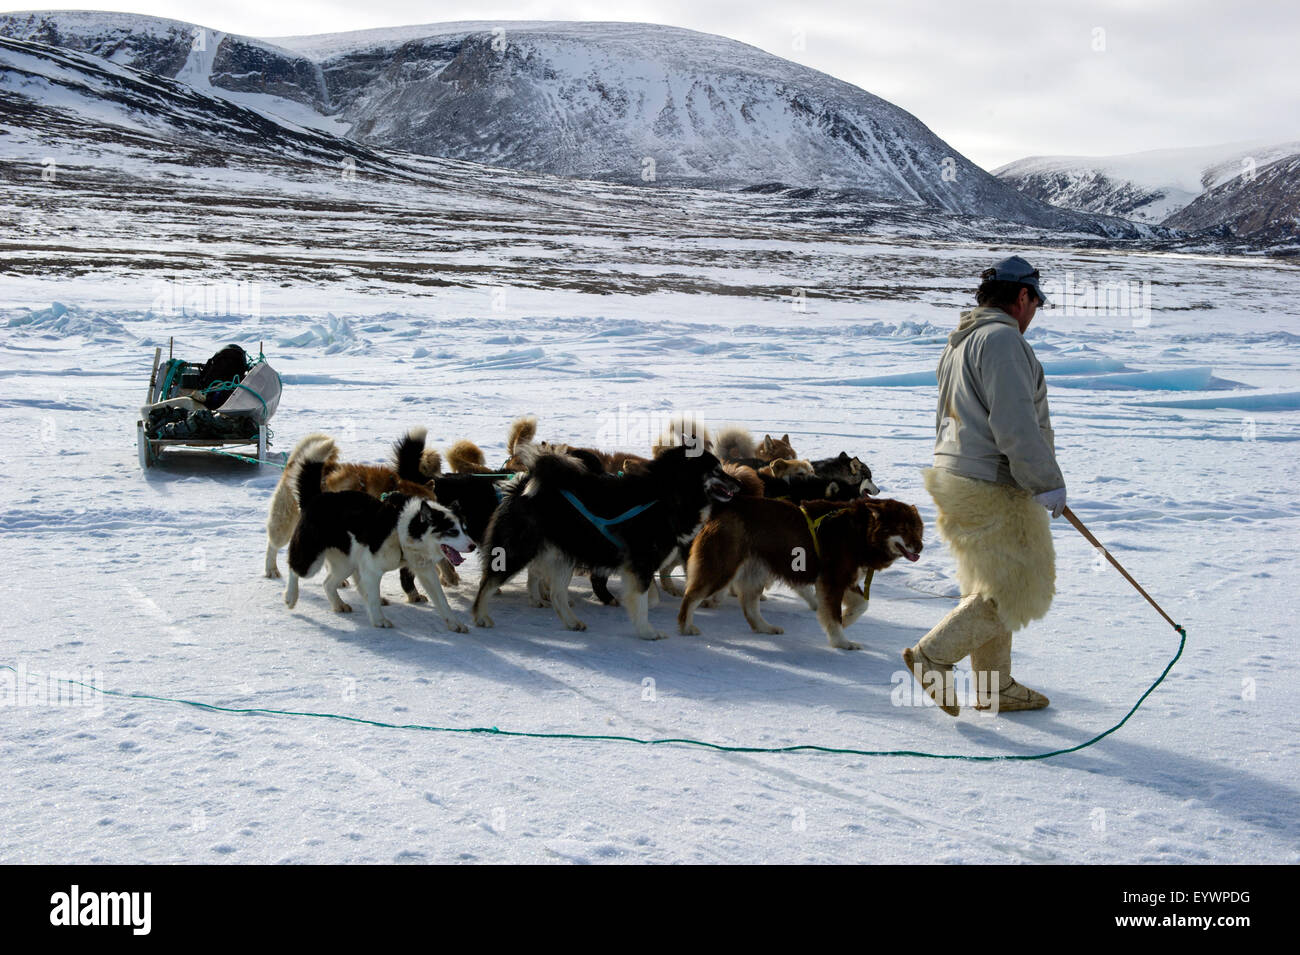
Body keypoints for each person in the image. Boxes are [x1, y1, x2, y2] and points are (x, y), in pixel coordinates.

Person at [903, 256, 1065, 715]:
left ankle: (995, 686)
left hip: (956, 475)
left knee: (989, 582)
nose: (1034, 312)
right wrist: (1045, 482)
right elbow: (1015, 425)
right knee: (1013, 585)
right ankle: (933, 656)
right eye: (1035, 301)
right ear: (1021, 297)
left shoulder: (962, 342)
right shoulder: (1002, 341)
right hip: (991, 481)